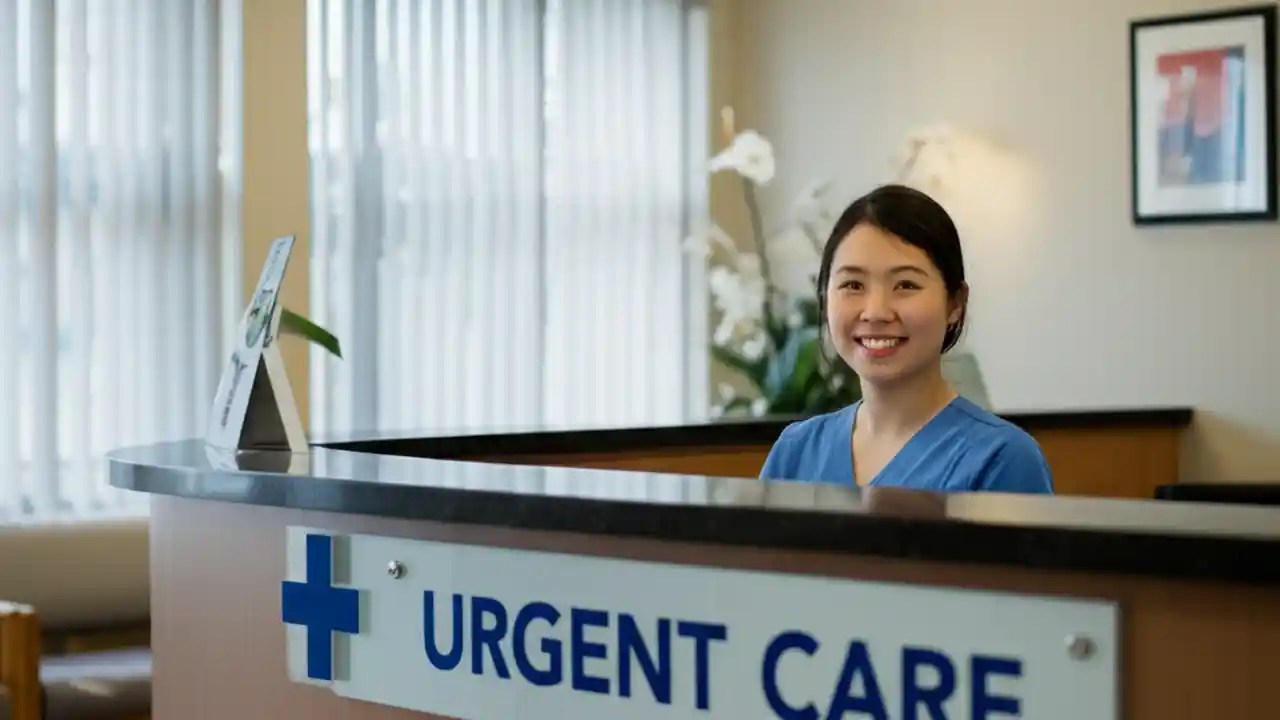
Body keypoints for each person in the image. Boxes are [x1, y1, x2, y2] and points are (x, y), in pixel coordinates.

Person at [759, 184, 1053, 494]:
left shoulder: (1002, 460)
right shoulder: (795, 452)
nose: (875, 312)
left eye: (906, 285)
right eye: (853, 285)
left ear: (955, 303)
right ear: (824, 296)